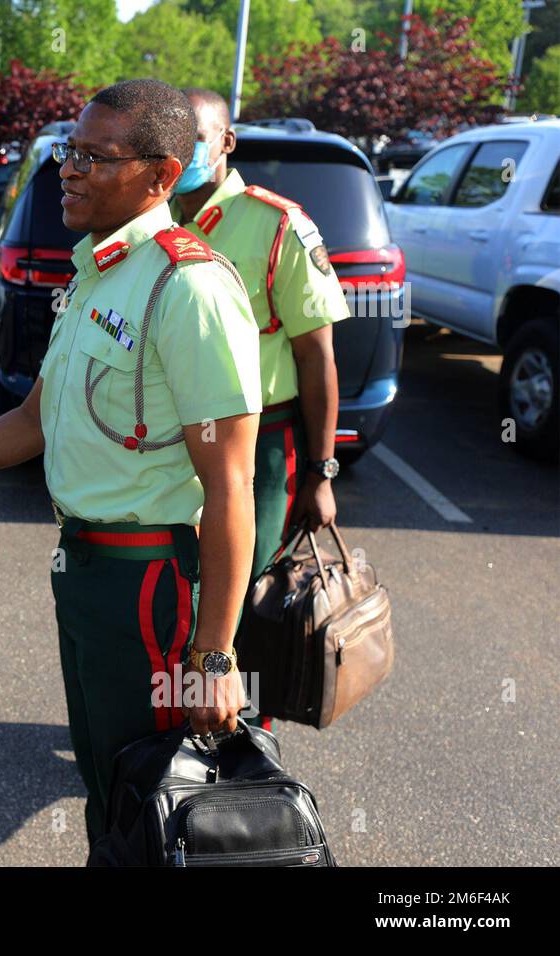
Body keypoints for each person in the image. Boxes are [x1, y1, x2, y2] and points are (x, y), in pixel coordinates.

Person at [0, 79, 262, 848]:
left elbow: (231, 483)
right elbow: (36, 419)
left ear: (162, 175)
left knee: (155, 804)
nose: (69, 170)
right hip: (85, 571)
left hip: (149, 587)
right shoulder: (98, 271)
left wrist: (213, 655)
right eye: (71, 152)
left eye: (95, 157)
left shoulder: (189, 285)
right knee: (109, 790)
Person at [171, 89, 351, 734]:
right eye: (173, 136)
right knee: (177, 584)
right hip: (166, 435)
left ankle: (245, 736)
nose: (186, 150)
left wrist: (321, 473)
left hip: (259, 441)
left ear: (227, 143)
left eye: (200, 137)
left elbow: (317, 357)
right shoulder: (149, 218)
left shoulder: (277, 224)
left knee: (243, 588)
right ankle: (175, 719)